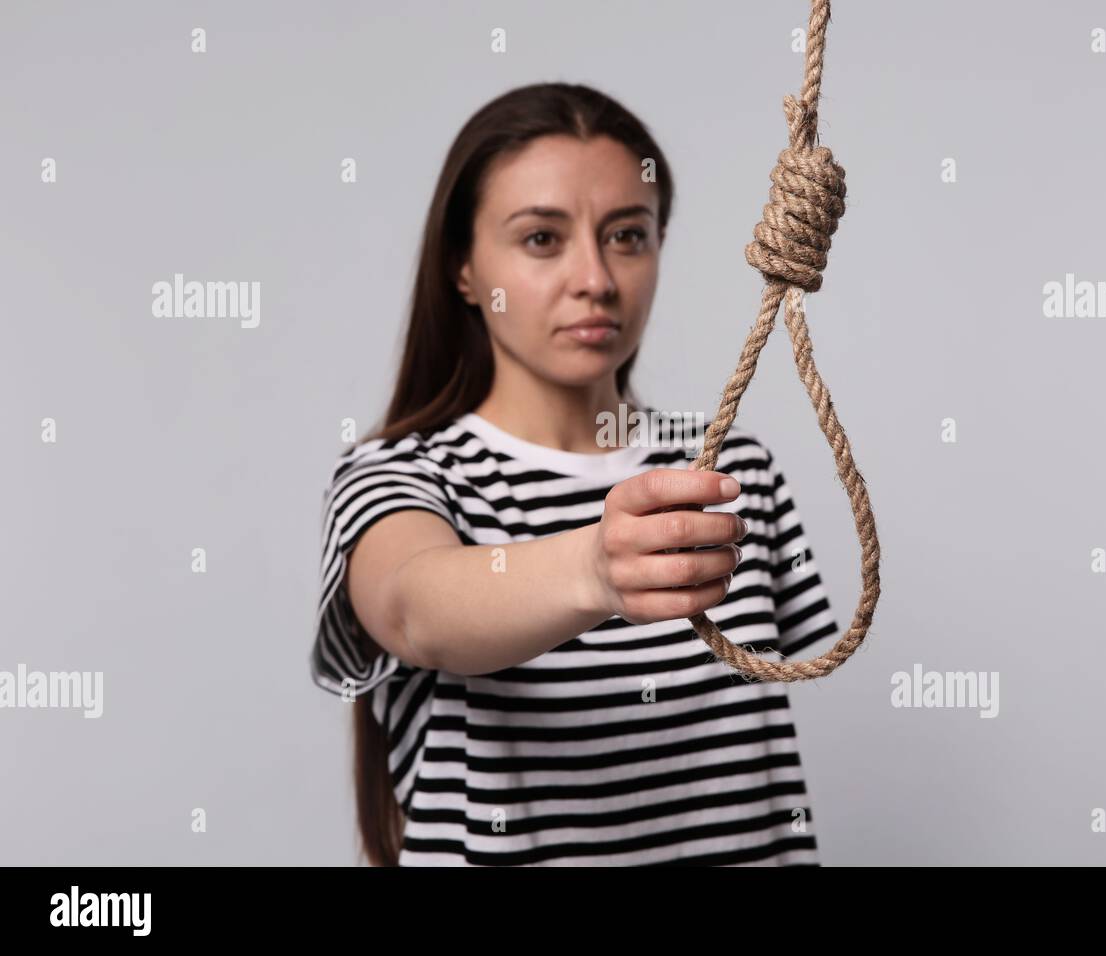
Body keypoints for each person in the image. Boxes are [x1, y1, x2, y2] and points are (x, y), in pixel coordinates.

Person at [311, 82, 839, 866]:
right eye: (541, 240)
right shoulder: (401, 474)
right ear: (463, 268)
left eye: (628, 235)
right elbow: (416, 608)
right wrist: (595, 567)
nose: (595, 277)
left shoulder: (732, 473)